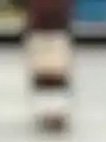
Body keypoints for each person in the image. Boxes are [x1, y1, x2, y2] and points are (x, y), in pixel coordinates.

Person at [25, 0, 72, 131]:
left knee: (57, 73)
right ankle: (47, 111)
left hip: (56, 31)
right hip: (42, 30)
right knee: (43, 73)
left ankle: (56, 111)